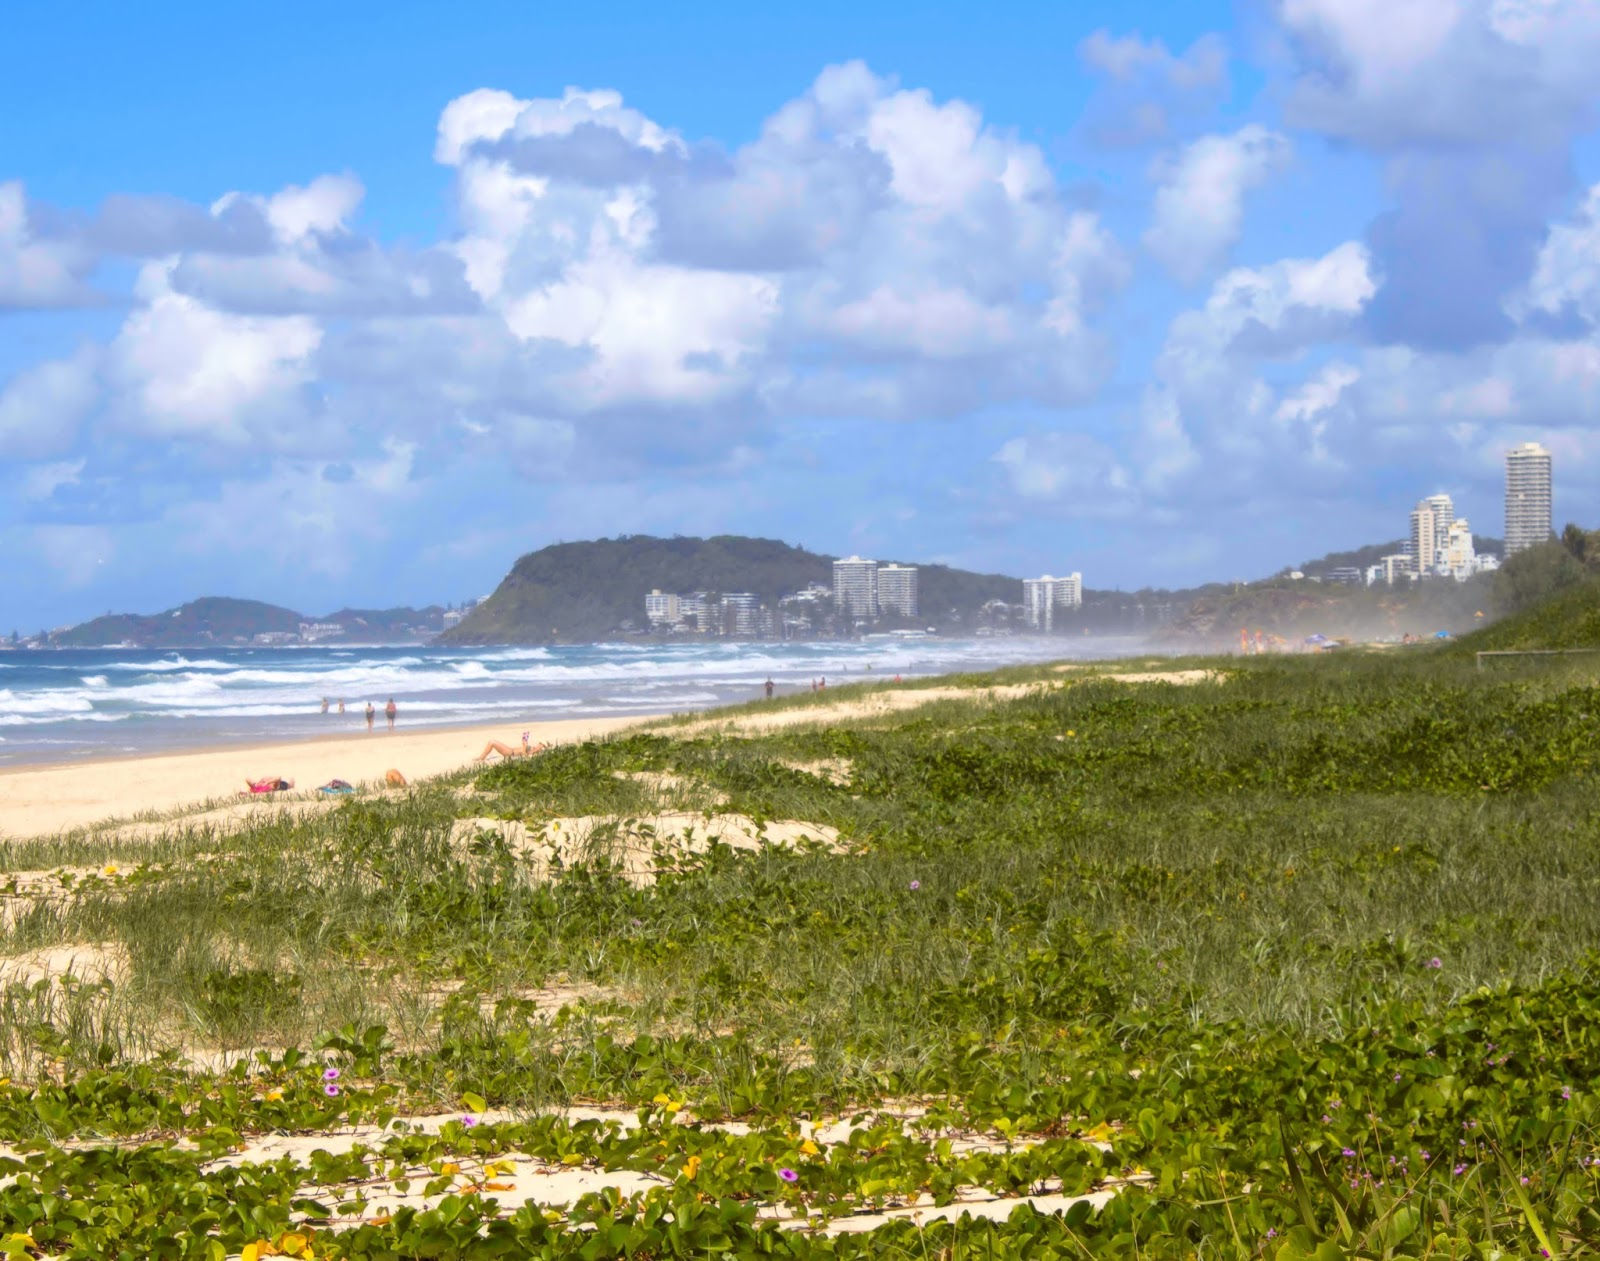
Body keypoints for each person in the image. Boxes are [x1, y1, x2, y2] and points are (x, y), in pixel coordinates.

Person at [475, 733, 547, 762]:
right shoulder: (532, 749)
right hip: (510, 750)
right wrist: (524, 743)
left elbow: (524, 755)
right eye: (539, 743)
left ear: (542, 747)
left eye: (540, 744)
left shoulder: (534, 752)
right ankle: (481, 757)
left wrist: (524, 747)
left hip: (510, 753)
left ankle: (481, 758)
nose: (538, 744)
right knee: (492, 742)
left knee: (492, 742)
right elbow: (524, 737)